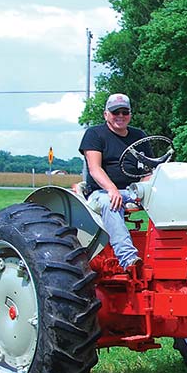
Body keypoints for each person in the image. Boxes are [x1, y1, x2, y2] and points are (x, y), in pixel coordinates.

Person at [78, 93, 148, 270]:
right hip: (101, 192)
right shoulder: (94, 134)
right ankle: (128, 259)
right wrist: (112, 189)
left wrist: (147, 189)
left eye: (125, 112)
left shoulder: (139, 136)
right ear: (106, 114)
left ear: (130, 114)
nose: (120, 116)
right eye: (116, 112)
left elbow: (149, 170)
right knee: (111, 202)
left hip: (134, 191)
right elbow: (95, 169)